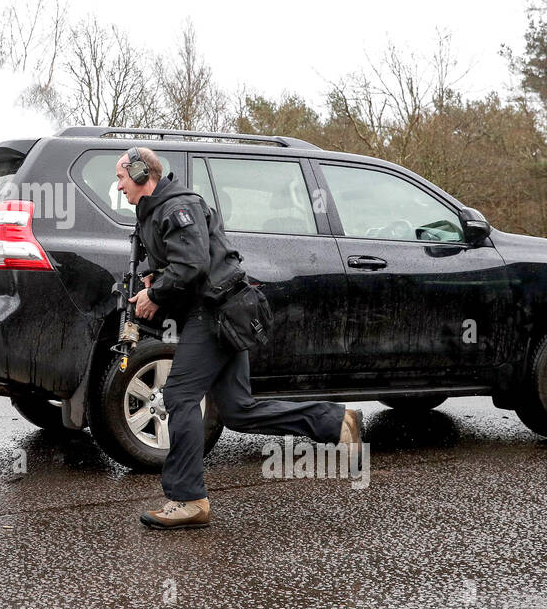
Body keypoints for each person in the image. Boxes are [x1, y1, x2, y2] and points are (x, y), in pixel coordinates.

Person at [114, 146, 363, 530]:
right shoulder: (156, 211)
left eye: (121, 178)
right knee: (237, 410)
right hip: (219, 312)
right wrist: (156, 279)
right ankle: (334, 421)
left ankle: (188, 499)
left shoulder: (177, 207)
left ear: (142, 173)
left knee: (179, 396)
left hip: (214, 314)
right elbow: (185, 263)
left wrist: (155, 293)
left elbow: (193, 265)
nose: (119, 187)